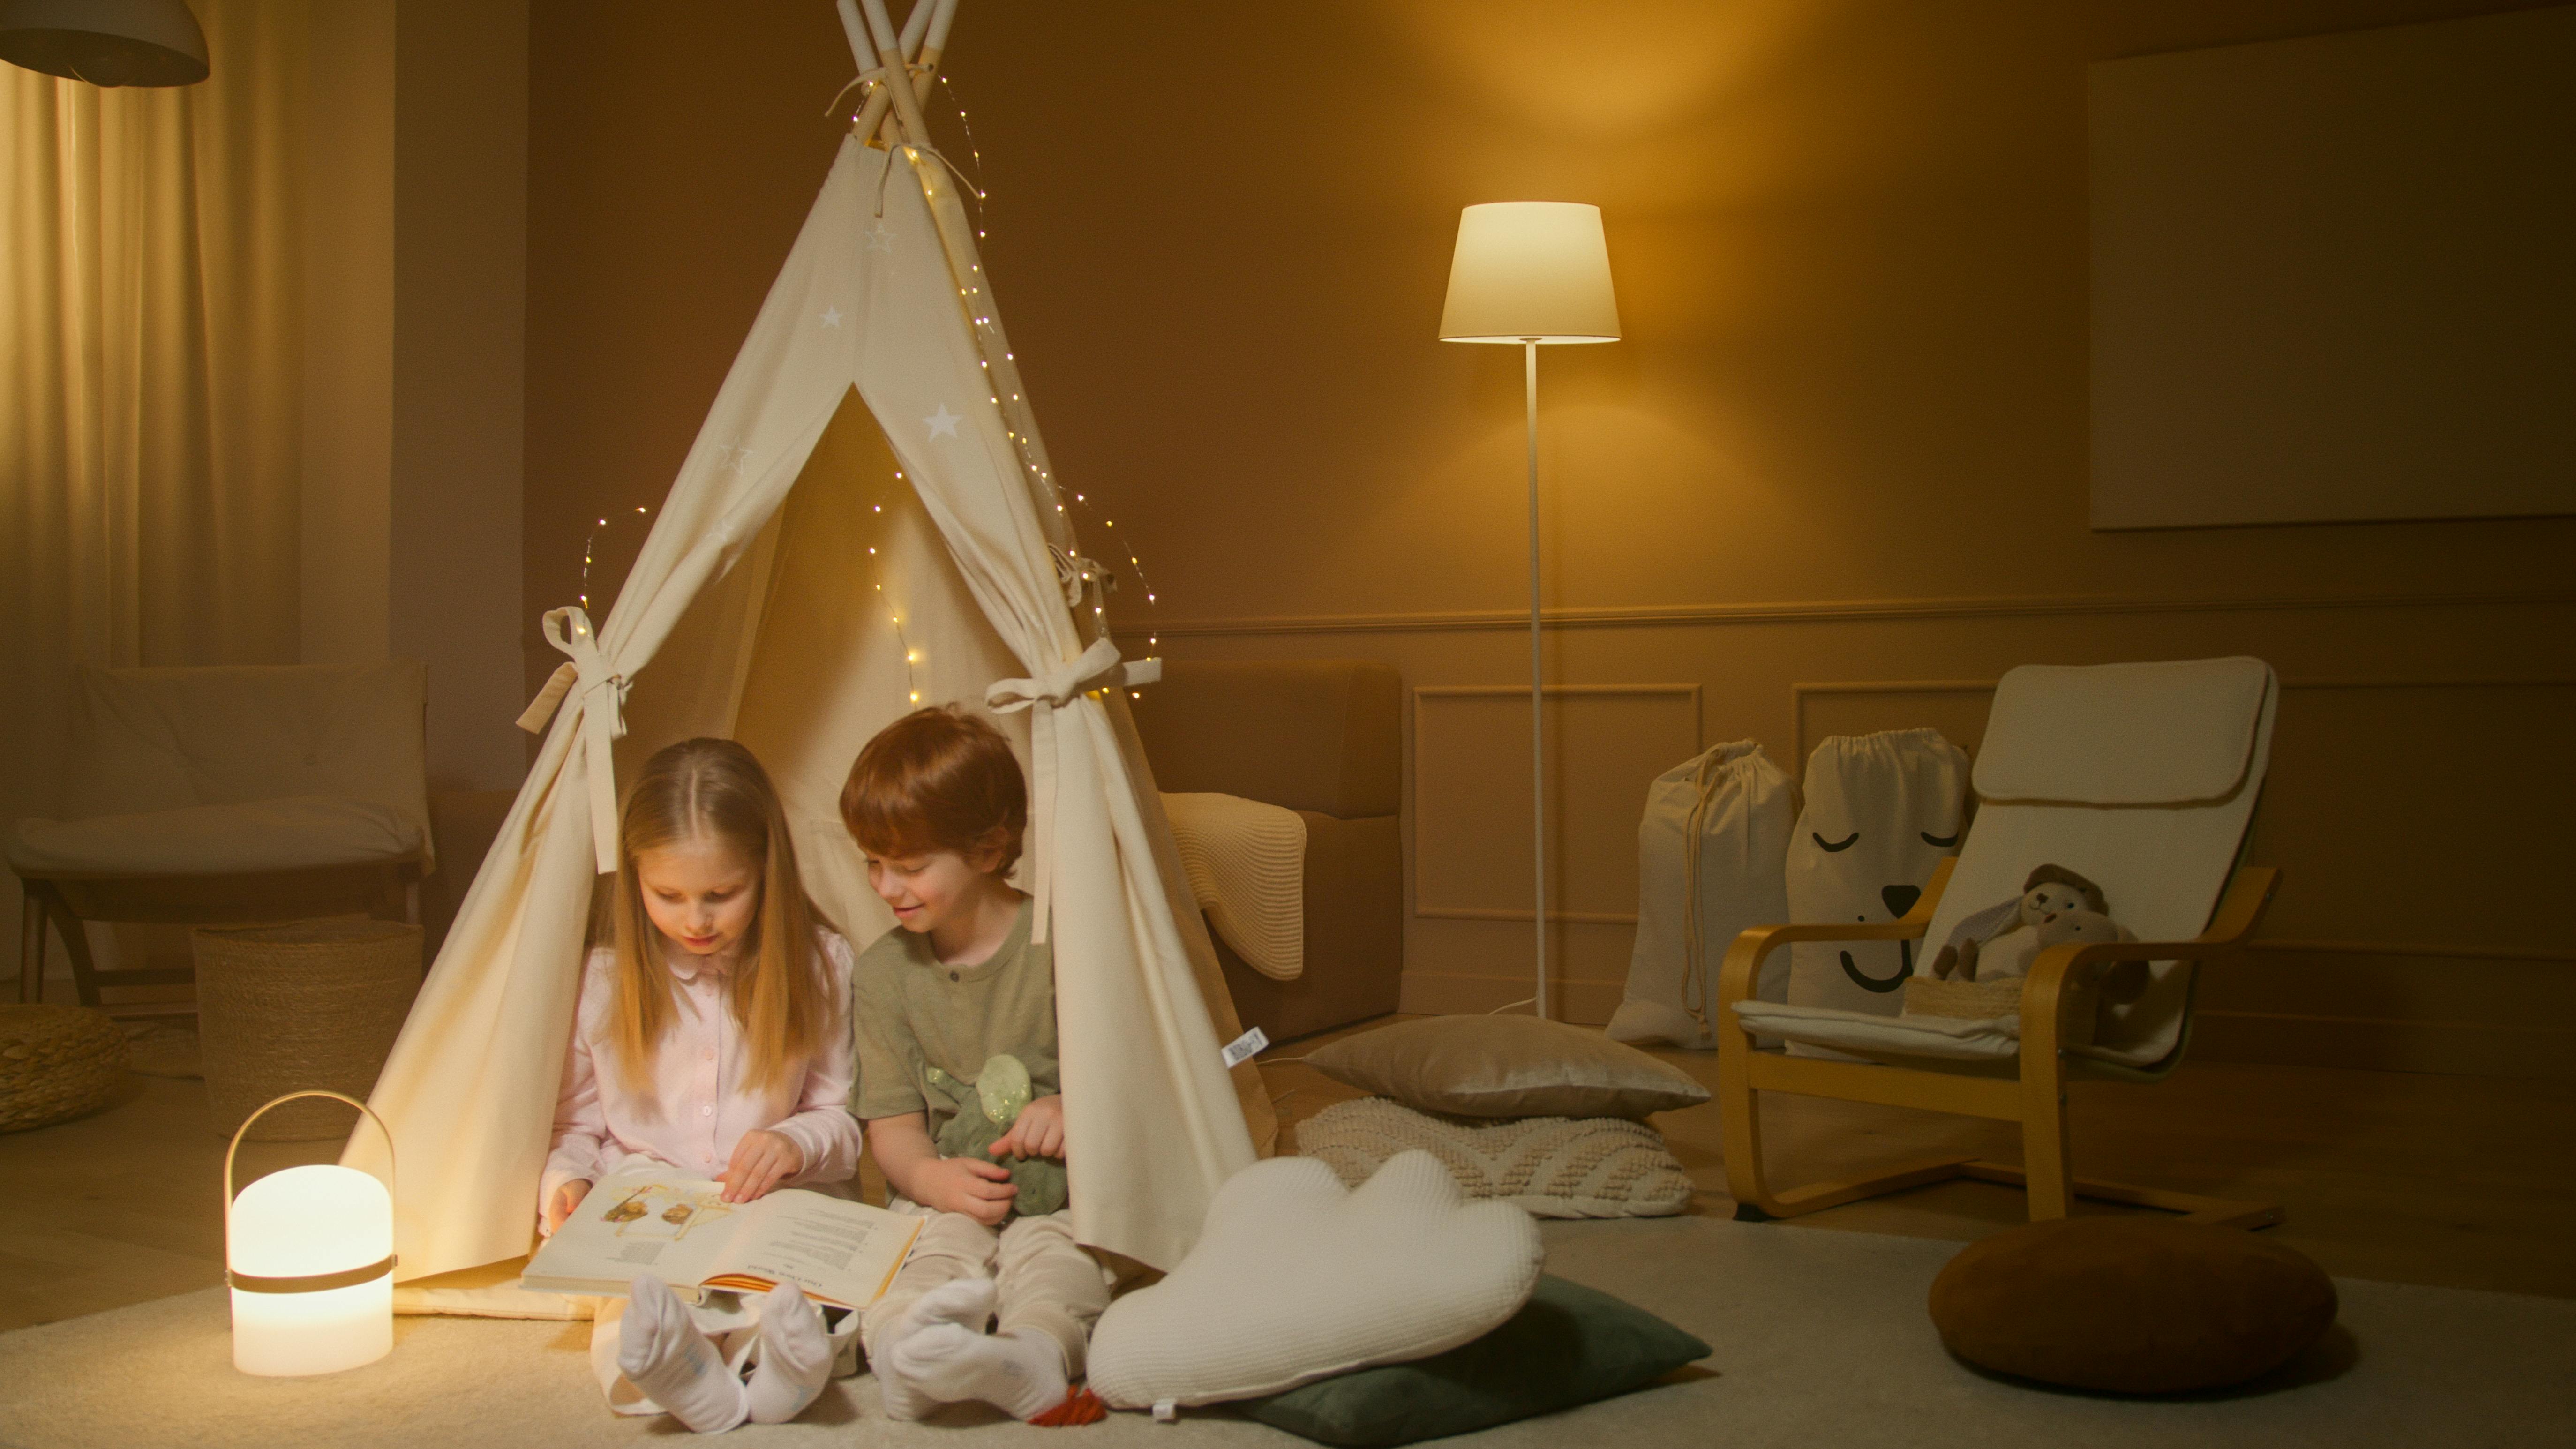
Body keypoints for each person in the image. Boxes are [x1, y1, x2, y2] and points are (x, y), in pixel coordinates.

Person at [541, 736, 864, 1433]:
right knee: (639, 1315)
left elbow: (841, 1117)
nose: (696, 920)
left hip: (776, 1204)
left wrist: (793, 1142)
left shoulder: (819, 964)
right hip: (651, 1213)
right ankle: (688, 1381)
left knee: (800, 1309)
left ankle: (778, 1379)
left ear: (767, 872)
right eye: (668, 896)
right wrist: (564, 1186)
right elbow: (575, 1129)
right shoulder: (603, 979)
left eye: (722, 894)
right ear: (633, 882)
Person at [841, 706, 1111, 1426]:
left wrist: (1073, 1110)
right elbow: (895, 1126)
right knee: (918, 1262)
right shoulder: (883, 975)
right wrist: (931, 1178)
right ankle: (907, 1350)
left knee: (1063, 1266)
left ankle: (1031, 1357)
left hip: (1061, 1196)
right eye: (873, 862)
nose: (885, 887)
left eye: (909, 867)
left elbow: (1153, 1074)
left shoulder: (1063, 943)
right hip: (949, 1192)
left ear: (989, 851)